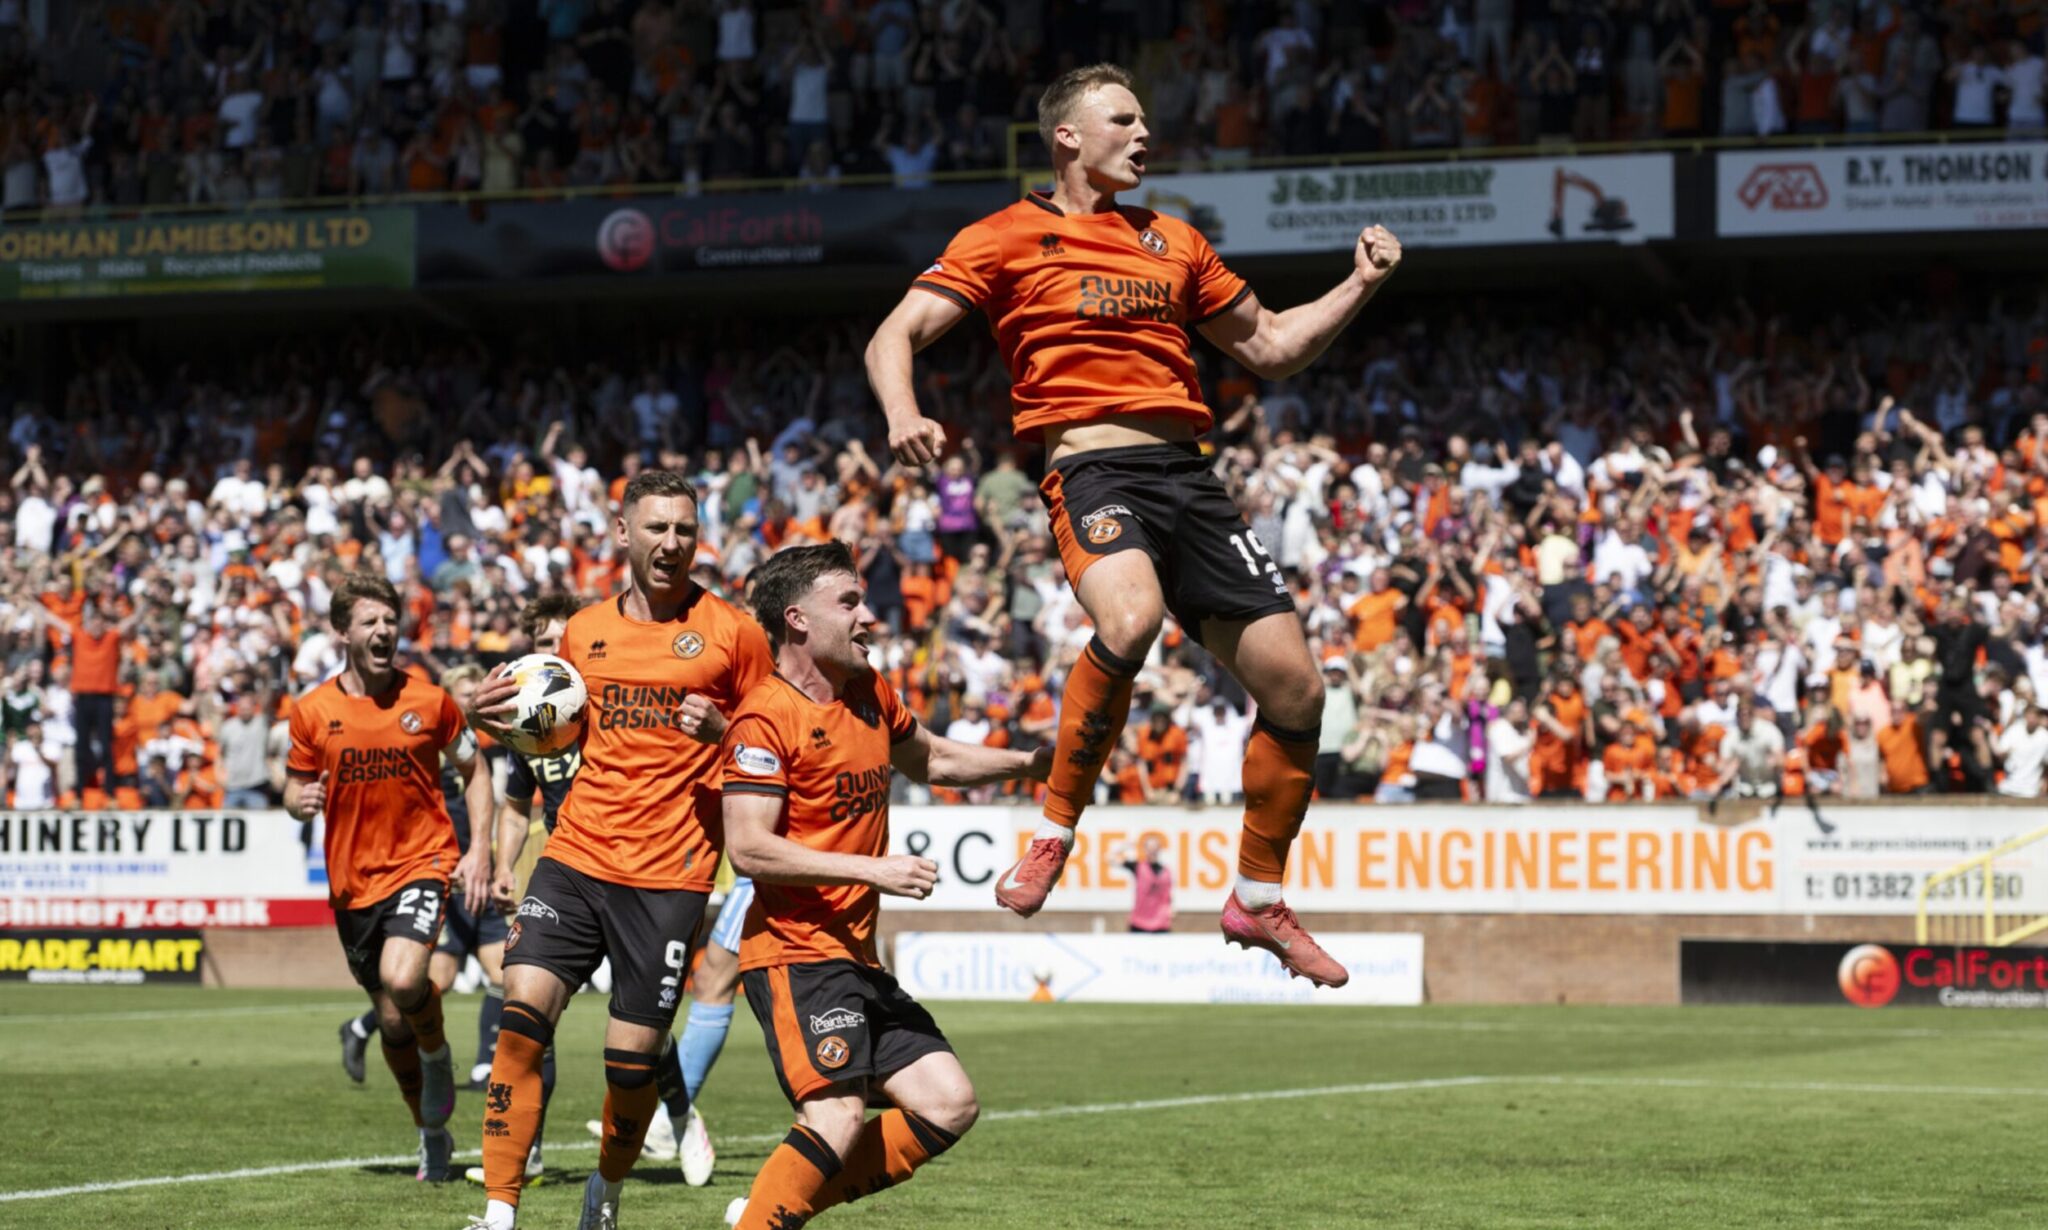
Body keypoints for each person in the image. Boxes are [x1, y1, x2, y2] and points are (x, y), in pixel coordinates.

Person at [867, 62, 1402, 987]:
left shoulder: (1175, 240)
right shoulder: (1003, 236)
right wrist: (902, 411)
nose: (1144, 134)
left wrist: (1359, 283)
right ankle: (1053, 830)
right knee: (1131, 617)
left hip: (1189, 477)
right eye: (1124, 119)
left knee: (1298, 691)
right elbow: (894, 334)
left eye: (1146, 120)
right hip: (1092, 468)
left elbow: (1272, 345)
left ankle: (1258, 898)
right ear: (1067, 136)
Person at [463, 470, 773, 1230]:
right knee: (521, 1017)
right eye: (657, 527)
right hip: (576, 857)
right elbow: (552, 732)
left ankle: (605, 1190)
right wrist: (491, 718)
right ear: (623, 532)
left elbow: (777, 745)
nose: (672, 543)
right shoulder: (583, 631)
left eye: (685, 529)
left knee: (631, 1066)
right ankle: (498, 1213)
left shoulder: (735, 634)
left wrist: (726, 732)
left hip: (670, 875)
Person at [715, 542, 1049, 1229]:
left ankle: (771, 1211)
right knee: (835, 1116)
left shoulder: (868, 691)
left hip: (855, 956)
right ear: (797, 619)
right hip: (797, 953)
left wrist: (1030, 764)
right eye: (849, 603)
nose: (868, 617)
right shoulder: (763, 718)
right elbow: (747, 847)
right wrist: (875, 870)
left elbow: (934, 759)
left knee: (948, 1103)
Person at [286, 573, 493, 1183]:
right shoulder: (312, 712)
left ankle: (439, 1055)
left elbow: (475, 770)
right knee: (395, 1017)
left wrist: (479, 850)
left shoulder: (430, 701)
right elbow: (294, 786)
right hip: (353, 884)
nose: (383, 632)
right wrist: (299, 801)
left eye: (389, 621)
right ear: (342, 632)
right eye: (369, 622)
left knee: (404, 979)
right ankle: (430, 1132)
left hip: (422, 862)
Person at [462, 592, 583, 1191]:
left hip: (629, 868)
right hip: (565, 872)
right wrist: (504, 863)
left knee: (640, 1033)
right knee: (529, 1003)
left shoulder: (607, 705)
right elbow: (516, 805)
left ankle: (681, 1118)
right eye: (542, 643)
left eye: (562, 640)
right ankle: (527, 1152)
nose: (552, 651)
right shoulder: (528, 724)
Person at [1120, 833, 1173, 933]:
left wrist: (1171, 910)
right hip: (1139, 922)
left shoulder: (1166, 871)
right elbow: (1109, 858)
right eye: (1149, 847)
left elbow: (1168, 895)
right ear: (1145, 849)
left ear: (1159, 849)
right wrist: (1124, 847)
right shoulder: (1138, 866)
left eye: (1154, 847)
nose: (1152, 850)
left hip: (1160, 923)